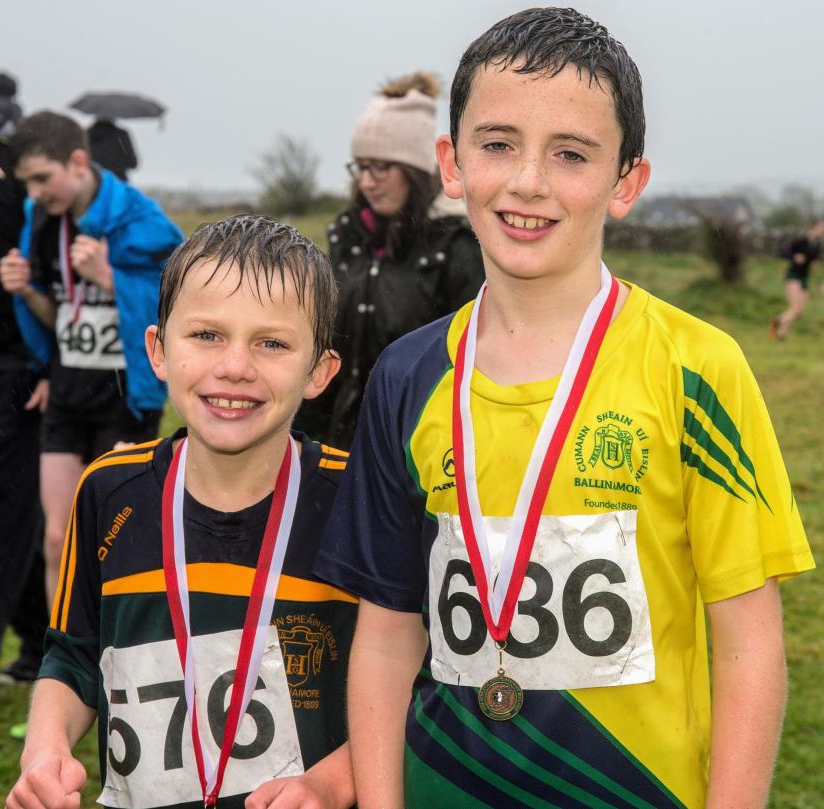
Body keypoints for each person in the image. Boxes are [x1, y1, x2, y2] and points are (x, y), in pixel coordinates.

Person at [314, 8, 815, 809]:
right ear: (451, 162)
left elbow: (748, 640)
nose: (527, 182)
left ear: (626, 183)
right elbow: (386, 634)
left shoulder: (696, 368)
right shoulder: (406, 376)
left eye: (571, 155)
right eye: (497, 143)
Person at [6, 215, 357, 809]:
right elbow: (72, 657)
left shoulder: (359, 498)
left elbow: (412, 687)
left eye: (272, 343)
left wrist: (329, 783)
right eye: (207, 335)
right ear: (158, 350)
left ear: (319, 371)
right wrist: (44, 750)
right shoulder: (109, 490)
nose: (235, 366)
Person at [0, 110, 182, 609]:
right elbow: (57, 315)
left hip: (123, 396)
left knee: (117, 545)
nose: (34, 193)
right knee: (57, 540)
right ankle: (64, 669)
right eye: (27, 183)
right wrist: (26, 291)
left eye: (42, 178)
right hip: (67, 393)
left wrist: (108, 278)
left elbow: (179, 299)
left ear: (78, 162)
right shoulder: (43, 221)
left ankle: (117, 663)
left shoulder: (139, 217)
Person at [295, 71, 483, 447]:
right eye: (361, 167)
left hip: (417, 451)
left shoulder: (457, 249)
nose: (367, 181)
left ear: (415, 171)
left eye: (381, 167)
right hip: (340, 444)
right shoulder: (347, 239)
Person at [0, 70, 49, 700]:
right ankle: (36, 641)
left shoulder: (13, 196)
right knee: (18, 518)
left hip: (14, 371)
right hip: (17, 366)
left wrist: (45, 366)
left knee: (9, 518)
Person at [771, 219, 824, 340]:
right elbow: (783, 250)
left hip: (805, 278)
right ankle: (779, 326)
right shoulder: (801, 241)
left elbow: (815, 260)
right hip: (793, 276)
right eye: (821, 227)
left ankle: (780, 331)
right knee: (794, 308)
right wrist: (794, 256)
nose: (822, 230)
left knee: (799, 311)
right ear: (813, 227)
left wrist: (815, 263)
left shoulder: (817, 245)